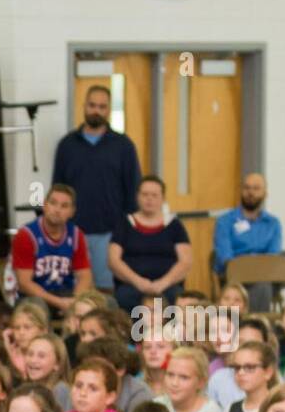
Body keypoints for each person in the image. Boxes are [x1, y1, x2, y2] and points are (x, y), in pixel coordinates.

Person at [51, 85, 142, 292]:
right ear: (84, 106)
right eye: (92, 105)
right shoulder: (67, 145)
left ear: (109, 110)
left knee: (106, 290)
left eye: (102, 106)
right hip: (71, 232)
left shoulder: (123, 146)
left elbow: (133, 192)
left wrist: (127, 233)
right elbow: (57, 190)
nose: (96, 111)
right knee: (72, 290)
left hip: (110, 233)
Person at [212, 173, 285, 312]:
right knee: (263, 284)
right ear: (241, 191)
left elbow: (273, 256)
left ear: (265, 193)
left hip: (265, 269)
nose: (251, 192)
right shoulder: (225, 221)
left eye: (256, 188)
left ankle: (265, 280)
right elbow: (225, 257)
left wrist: (260, 267)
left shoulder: (273, 222)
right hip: (235, 274)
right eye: (247, 188)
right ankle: (257, 323)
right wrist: (252, 266)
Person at [108, 176, 192, 314]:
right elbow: (113, 260)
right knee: (124, 298)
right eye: (145, 194)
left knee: (177, 299)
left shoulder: (174, 225)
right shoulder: (124, 224)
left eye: (154, 195)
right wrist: (139, 282)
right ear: (137, 197)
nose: (149, 199)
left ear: (163, 198)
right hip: (131, 286)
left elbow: (185, 262)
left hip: (167, 287)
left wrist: (162, 283)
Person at [11, 183, 94, 313]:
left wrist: (75, 301)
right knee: (39, 306)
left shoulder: (77, 234)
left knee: (104, 303)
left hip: (67, 294)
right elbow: (24, 283)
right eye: (53, 203)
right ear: (44, 205)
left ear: (72, 212)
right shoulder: (26, 235)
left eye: (64, 206)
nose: (57, 210)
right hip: (33, 297)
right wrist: (59, 303)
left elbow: (85, 275)